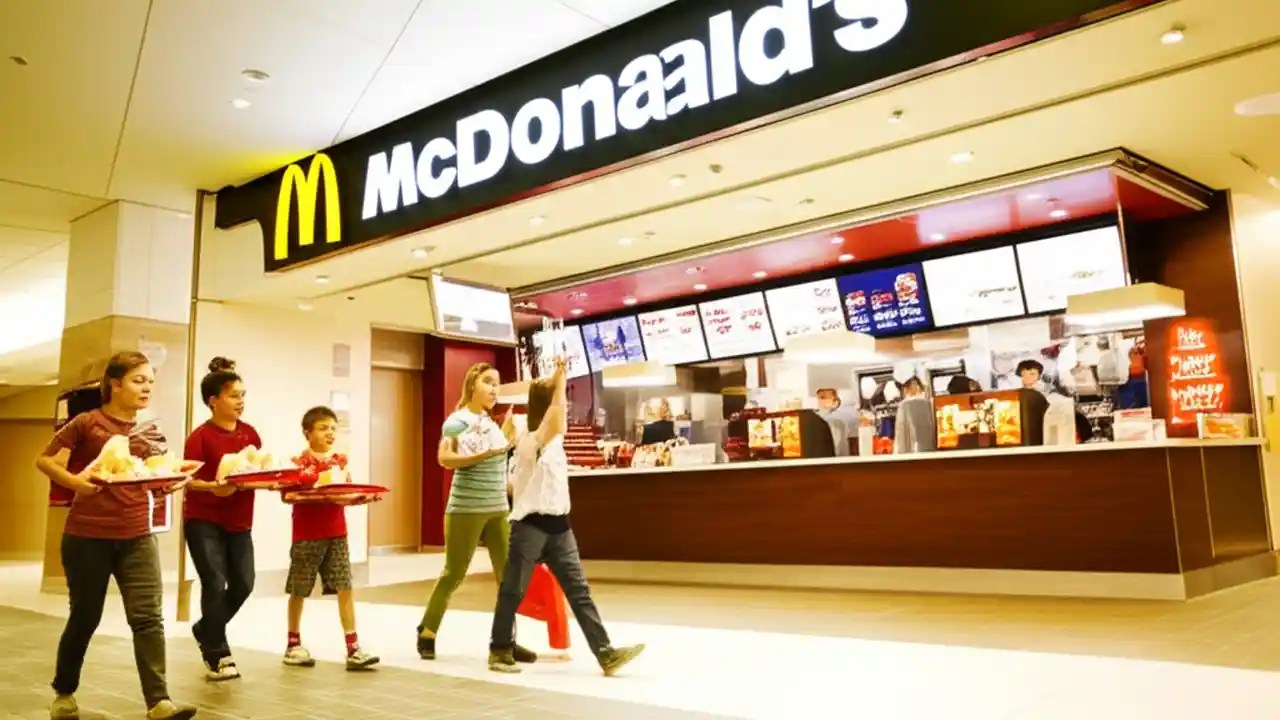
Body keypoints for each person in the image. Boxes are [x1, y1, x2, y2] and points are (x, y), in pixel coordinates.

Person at [36, 351, 198, 720]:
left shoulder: (150, 432)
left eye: (151, 383)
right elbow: (45, 460)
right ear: (115, 384)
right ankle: (64, 692)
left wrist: (168, 484)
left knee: (147, 617)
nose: (147, 389)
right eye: (139, 381)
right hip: (87, 535)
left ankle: (158, 701)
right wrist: (77, 483)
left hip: (138, 534)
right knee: (85, 616)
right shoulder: (86, 423)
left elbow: (154, 477)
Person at [488, 356, 645, 675]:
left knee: (579, 592)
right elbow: (557, 415)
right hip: (529, 527)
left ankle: (605, 652)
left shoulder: (552, 441)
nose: (566, 405)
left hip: (560, 529)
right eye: (559, 400)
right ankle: (499, 649)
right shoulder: (533, 441)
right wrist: (560, 377)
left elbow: (557, 418)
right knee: (513, 589)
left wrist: (558, 381)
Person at [417, 363, 535, 664]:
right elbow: (444, 457)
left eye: (497, 384)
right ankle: (427, 631)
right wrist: (480, 455)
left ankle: (505, 640)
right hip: (466, 508)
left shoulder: (493, 423)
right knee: (454, 573)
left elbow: (498, 468)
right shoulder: (457, 421)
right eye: (488, 382)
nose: (494, 389)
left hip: (497, 509)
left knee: (507, 578)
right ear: (472, 384)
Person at [282, 406, 379, 671]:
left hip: (337, 533)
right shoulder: (297, 464)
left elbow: (344, 494)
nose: (330, 433)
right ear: (307, 432)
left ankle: (353, 647)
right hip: (306, 534)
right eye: (323, 428)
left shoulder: (339, 463)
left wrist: (362, 498)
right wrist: (311, 488)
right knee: (299, 588)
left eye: (333, 428)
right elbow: (287, 495)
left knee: (345, 586)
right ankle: (293, 643)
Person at [182, 357, 260, 681]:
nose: (241, 401)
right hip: (203, 519)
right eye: (233, 395)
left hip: (240, 520)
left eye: (243, 394)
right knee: (214, 582)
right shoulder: (199, 437)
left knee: (243, 583)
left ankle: (206, 627)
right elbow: (185, 480)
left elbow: (257, 472)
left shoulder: (251, 434)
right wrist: (214, 488)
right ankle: (217, 652)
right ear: (214, 401)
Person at [894, 377, 937, 454]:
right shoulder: (929, 403)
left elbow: (900, 431)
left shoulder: (903, 405)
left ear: (905, 389)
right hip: (929, 448)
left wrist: (897, 452)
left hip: (909, 451)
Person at [815, 388, 859, 456]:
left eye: (823, 397)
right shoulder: (819, 418)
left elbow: (839, 450)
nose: (820, 401)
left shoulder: (837, 420)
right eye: (820, 397)